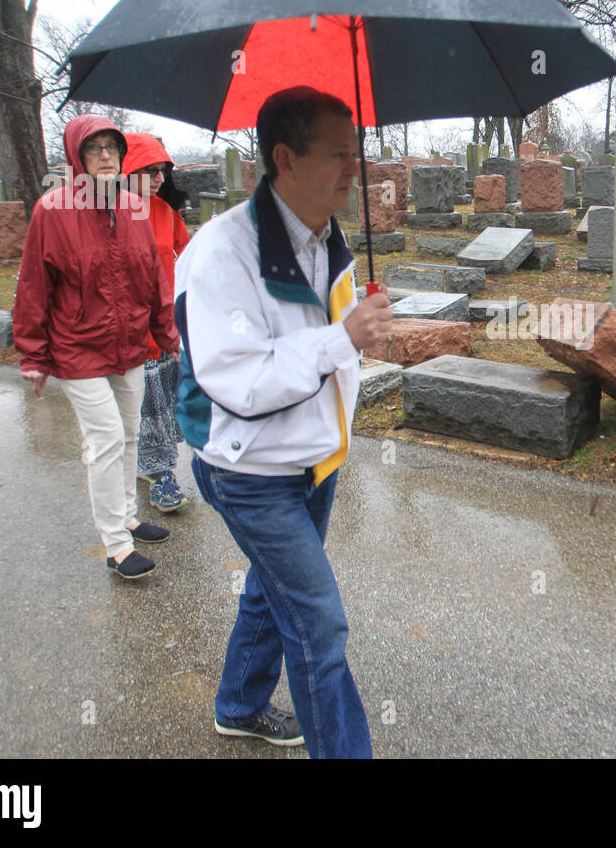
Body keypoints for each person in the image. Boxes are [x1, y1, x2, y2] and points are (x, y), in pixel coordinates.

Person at [175, 86, 392, 757]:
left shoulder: (327, 235)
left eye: (354, 153)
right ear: (285, 159)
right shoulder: (220, 254)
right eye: (338, 154)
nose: (354, 169)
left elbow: (324, 344)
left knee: (277, 595)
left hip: (313, 461)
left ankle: (239, 704)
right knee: (319, 625)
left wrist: (360, 334)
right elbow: (239, 379)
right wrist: (342, 340)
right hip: (249, 470)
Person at [13, 115, 182, 580]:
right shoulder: (52, 211)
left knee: (128, 433)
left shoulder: (133, 208)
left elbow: (154, 281)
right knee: (106, 438)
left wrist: (168, 337)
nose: (106, 155)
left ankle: (128, 514)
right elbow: (33, 285)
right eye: (95, 148)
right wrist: (33, 354)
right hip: (78, 349)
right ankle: (116, 544)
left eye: (112, 147)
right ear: (77, 157)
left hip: (128, 345)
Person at [121, 133, 193, 513]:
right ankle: (161, 474)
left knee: (165, 401)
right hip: (131, 328)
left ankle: (149, 462)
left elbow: (185, 254)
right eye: (149, 171)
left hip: (167, 324)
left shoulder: (167, 212)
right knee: (144, 403)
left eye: (162, 170)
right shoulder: (110, 214)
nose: (159, 178)